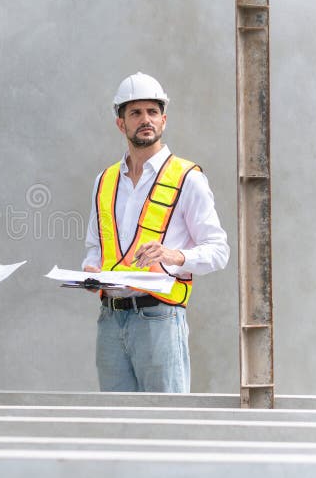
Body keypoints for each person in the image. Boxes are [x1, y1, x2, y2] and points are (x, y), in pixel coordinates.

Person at [82, 72, 229, 393]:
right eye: (135, 112)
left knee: (167, 426)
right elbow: (96, 246)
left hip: (159, 319)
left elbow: (219, 251)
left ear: (163, 120)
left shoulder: (187, 178)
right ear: (121, 123)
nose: (145, 119)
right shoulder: (105, 181)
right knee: (117, 426)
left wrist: (175, 255)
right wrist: (91, 270)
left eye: (152, 112)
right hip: (110, 321)